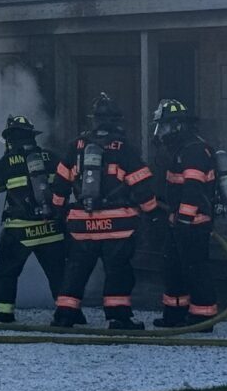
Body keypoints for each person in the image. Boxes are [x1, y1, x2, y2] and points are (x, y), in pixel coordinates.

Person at [49, 93, 159, 330]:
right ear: (117, 120)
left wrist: (57, 210)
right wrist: (152, 210)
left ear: (94, 120)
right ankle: (118, 317)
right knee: (118, 271)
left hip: (82, 224)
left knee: (76, 270)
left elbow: (60, 183)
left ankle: (65, 314)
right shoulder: (124, 147)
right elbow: (141, 183)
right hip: (117, 226)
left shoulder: (76, 145)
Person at [0, 115, 68, 323]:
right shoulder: (51, 158)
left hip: (19, 230)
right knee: (59, 274)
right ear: (32, 136)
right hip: (51, 229)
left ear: (10, 139)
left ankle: (2, 313)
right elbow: (66, 186)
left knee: (7, 272)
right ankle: (67, 313)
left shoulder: (6, 162)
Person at [150, 99, 219, 330]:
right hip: (177, 222)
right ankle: (174, 314)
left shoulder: (195, 151)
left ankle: (203, 316)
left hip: (194, 223)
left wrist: (185, 219)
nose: (162, 133)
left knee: (195, 268)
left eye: (165, 127)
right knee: (172, 267)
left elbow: (193, 188)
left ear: (178, 126)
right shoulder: (179, 150)